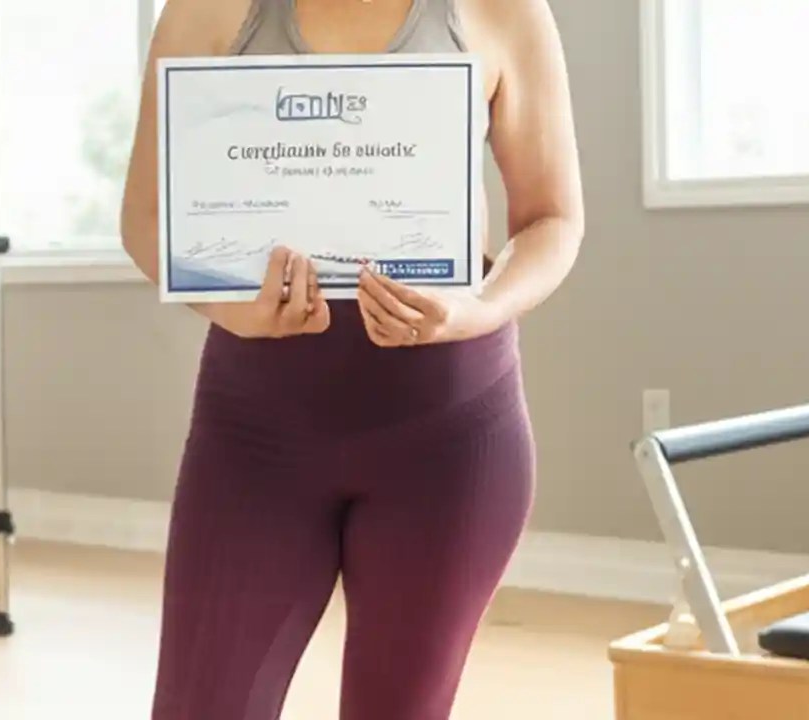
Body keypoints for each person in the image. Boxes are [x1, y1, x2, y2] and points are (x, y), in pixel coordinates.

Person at [120, 0, 584, 716]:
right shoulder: (208, 10)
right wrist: (229, 306)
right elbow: (146, 217)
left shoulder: (503, 10)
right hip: (254, 437)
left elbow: (552, 217)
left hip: (448, 439)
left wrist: (482, 308)